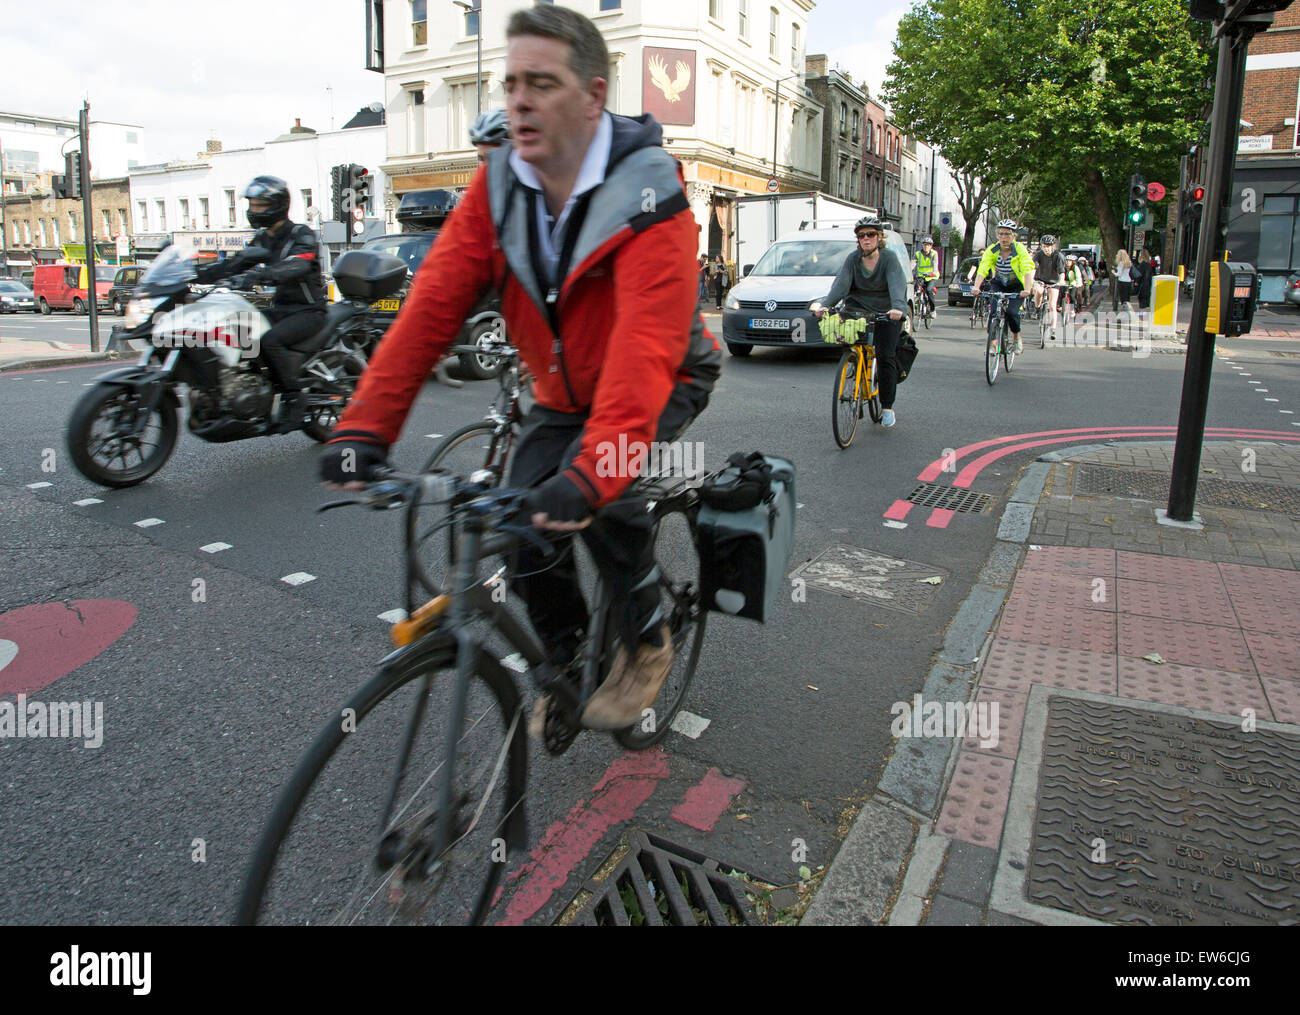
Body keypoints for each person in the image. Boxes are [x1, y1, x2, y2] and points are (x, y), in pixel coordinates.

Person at [319, 4, 721, 736]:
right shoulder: (500, 186)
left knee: (606, 496)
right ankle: (565, 659)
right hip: (565, 390)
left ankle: (649, 634)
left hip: (666, 376)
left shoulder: (651, 197)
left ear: (594, 96)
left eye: (542, 82)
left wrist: (592, 478)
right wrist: (365, 426)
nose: (520, 101)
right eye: (511, 84)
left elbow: (643, 361)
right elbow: (431, 310)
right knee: (521, 514)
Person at [195, 175, 325, 431]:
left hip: (308, 310)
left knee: (270, 340)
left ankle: (293, 396)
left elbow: (297, 264)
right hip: (281, 309)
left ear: (278, 205)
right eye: (252, 205)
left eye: (260, 205)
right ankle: (248, 389)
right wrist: (195, 274)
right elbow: (235, 263)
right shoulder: (263, 238)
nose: (253, 211)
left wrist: (259, 275)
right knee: (238, 328)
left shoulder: (301, 234)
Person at [809, 215, 908, 428]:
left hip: (886, 311)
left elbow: (897, 286)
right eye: (861, 235)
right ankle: (855, 375)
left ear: (879, 236)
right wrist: (826, 305)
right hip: (857, 308)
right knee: (849, 342)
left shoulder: (889, 259)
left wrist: (898, 308)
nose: (866, 238)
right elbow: (840, 286)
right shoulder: (853, 259)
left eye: (871, 234)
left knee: (885, 355)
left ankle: (887, 406)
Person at [972, 219, 1036, 354]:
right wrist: (976, 287)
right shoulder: (993, 249)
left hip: (1017, 286)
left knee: (1012, 312)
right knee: (994, 312)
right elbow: (983, 268)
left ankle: (1017, 337)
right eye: (1000, 234)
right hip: (999, 283)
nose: (1003, 237)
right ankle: (993, 344)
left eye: (1007, 234)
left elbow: (1027, 268)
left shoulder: (1019, 249)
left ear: (1014, 236)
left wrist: (1027, 289)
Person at [1031, 235, 1065, 339]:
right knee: (1038, 291)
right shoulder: (1038, 254)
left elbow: (1061, 272)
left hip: (1053, 281)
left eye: (1048, 246)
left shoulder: (1058, 256)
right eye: (1044, 246)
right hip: (1040, 279)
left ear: (1053, 246)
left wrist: (1061, 281)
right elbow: (1033, 267)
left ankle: (1053, 329)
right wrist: (1032, 280)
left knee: (1052, 305)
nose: (1046, 249)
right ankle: (1037, 308)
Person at [912, 237, 940, 317]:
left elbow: (935, 265)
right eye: (924, 245)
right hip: (921, 276)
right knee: (916, 289)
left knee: (928, 290)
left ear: (931, 246)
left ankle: (932, 310)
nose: (926, 247)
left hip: (931, 277)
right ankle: (917, 304)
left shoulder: (934, 254)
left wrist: (933, 273)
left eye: (928, 245)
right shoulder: (918, 254)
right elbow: (912, 264)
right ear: (922, 245)